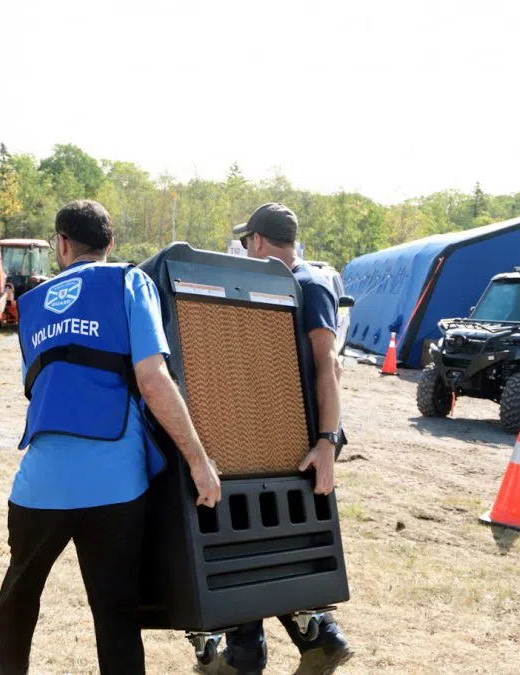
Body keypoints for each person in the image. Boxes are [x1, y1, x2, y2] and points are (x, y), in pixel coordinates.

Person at [0, 200, 222, 675]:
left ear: (61, 245)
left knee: (20, 593)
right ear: (111, 243)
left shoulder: (31, 304)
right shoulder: (129, 281)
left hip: (41, 483)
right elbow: (153, 380)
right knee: (116, 614)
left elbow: (41, 387)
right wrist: (198, 460)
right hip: (116, 484)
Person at [199, 203, 353, 675]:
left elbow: (329, 365)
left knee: (254, 544)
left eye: (247, 242)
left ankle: (259, 653)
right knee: (267, 544)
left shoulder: (307, 283)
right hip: (274, 433)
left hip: (300, 441)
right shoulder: (279, 284)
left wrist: (326, 442)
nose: (246, 250)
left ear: (259, 241)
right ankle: (310, 642)